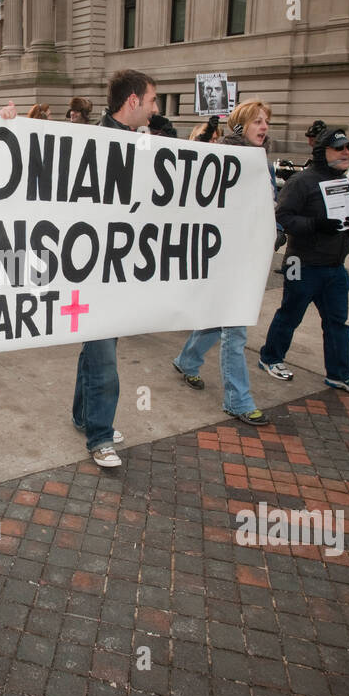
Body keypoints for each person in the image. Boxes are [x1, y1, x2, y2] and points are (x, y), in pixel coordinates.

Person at [172, 100, 277, 426]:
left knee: (220, 320)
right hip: (222, 257)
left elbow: (266, 206)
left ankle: (186, 361)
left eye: (266, 121)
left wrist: (276, 229)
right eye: (257, 121)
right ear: (239, 126)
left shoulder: (261, 162)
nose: (264, 127)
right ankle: (238, 400)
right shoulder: (220, 157)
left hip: (247, 257)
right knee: (236, 329)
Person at [75, 69, 159, 469]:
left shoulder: (145, 145)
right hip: (93, 269)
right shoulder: (89, 142)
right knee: (103, 353)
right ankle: (100, 435)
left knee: (96, 346)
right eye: (153, 101)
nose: (156, 109)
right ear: (133, 102)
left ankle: (84, 416)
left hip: (121, 266)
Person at [258, 127, 349, 395]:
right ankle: (271, 357)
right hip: (303, 264)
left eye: (348, 148)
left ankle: (341, 374)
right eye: (340, 148)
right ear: (323, 152)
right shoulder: (302, 182)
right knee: (290, 314)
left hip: (334, 266)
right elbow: (283, 216)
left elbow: (344, 217)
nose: (346, 153)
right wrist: (317, 224)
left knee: (337, 322)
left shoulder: (343, 182)